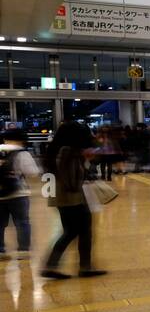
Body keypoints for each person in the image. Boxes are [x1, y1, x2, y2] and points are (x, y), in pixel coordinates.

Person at [41, 120, 106, 280]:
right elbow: (73, 181)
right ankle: (78, 267)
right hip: (72, 197)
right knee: (79, 231)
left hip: (61, 197)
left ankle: (77, 266)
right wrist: (85, 162)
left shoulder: (56, 149)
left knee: (73, 231)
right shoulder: (68, 152)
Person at [0, 128, 42, 261]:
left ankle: (1, 251)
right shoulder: (22, 153)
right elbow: (32, 173)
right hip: (18, 193)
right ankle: (23, 250)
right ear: (20, 140)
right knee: (22, 222)